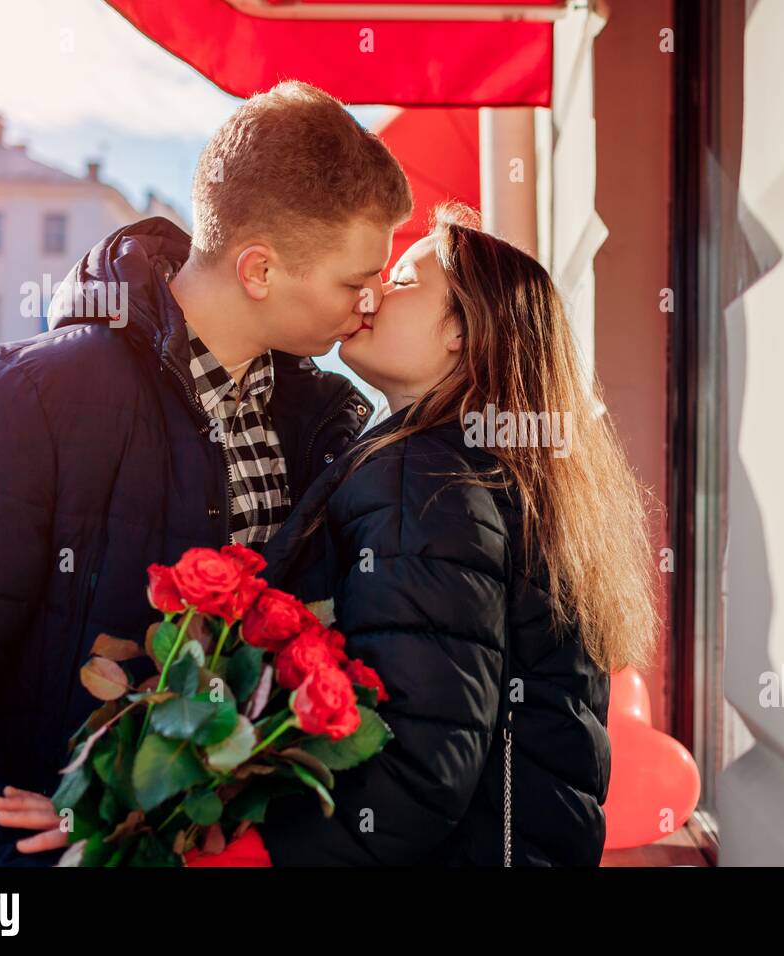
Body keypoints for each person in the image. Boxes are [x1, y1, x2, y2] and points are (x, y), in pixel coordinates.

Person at [0, 80, 411, 866]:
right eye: (354, 282)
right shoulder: (26, 398)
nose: (371, 307)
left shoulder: (325, 423)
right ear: (259, 270)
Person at [230, 204, 660, 864]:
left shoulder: (422, 475)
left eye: (403, 281)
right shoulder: (507, 472)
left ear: (463, 329)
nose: (372, 293)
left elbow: (416, 773)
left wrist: (237, 848)